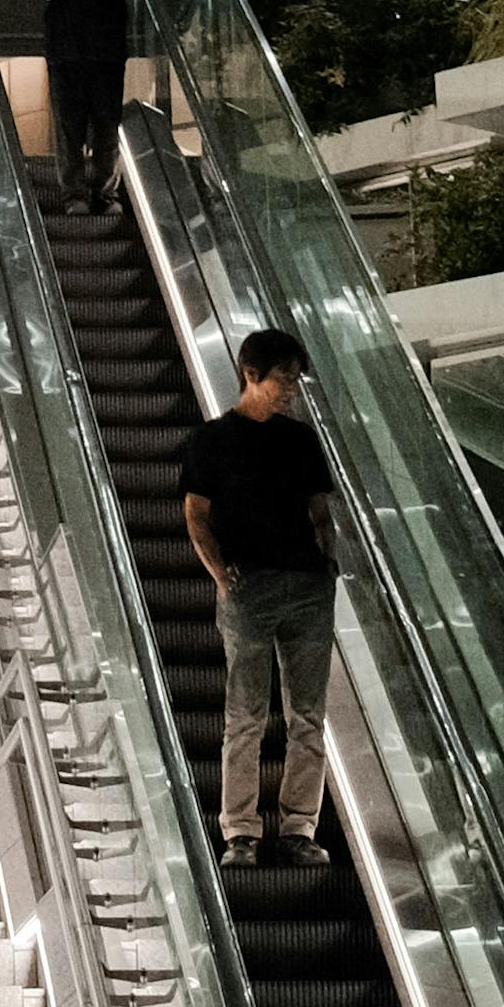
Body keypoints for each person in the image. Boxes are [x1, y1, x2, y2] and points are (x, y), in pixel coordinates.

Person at [178, 327, 338, 874]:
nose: (292, 388)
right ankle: (240, 833)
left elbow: (320, 509)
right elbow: (196, 514)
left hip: (307, 586)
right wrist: (221, 577)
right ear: (251, 374)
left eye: (296, 378)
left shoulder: (301, 440)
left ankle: (299, 828)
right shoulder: (211, 440)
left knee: (308, 715)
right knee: (245, 715)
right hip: (248, 589)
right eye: (285, 378)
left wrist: (328, 562)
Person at [35, 0, 143, 210]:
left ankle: (105, 193)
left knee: (107, 125)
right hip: (64, 49)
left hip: (107, 49)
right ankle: (75, 195)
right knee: (70, 126)